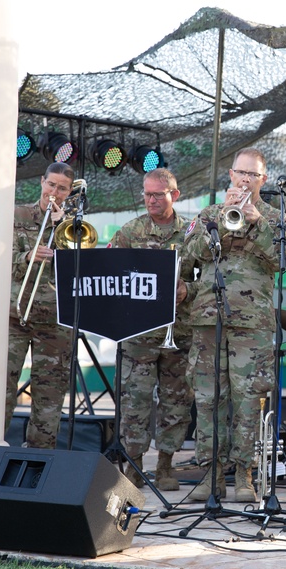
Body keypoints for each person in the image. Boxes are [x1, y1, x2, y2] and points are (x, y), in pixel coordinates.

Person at [181, 147, 283, 502]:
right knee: (208, 400)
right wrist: (223, 217)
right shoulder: (210, 212)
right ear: (230, 175)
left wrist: (256, 223)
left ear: (263, 180)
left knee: (247, 399)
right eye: (240, 173)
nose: (244, 180)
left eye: (252, 175)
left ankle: (244, 474)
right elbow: (190, 254)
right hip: (209, 319)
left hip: (252, 323)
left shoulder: (274, 218)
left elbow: (281, 260)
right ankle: (210, 474)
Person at [108, 168, 195, 491]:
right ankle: (133, 467)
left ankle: (165, 466)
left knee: (176, 402)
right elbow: (110, 275)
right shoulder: (130, 232)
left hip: (179, 332)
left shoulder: (192, 232)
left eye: (158, 194)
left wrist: (189, 289)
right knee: (135, 403)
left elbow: (209, 276)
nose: (151, 200)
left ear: (175, 194)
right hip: (139, 335)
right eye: (147, 194)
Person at [7, 162, 77, 448]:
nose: (54, 192)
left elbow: (80, 271)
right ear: (41, 182)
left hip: (55, 321)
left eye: (62, 188)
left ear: (70, 192)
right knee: (1, 388)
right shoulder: (17, 214)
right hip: (15, 315)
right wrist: (26, 256)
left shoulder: (74, 224)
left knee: (50, 393)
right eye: (51, 185)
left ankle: (40, 458)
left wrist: (60, 227)